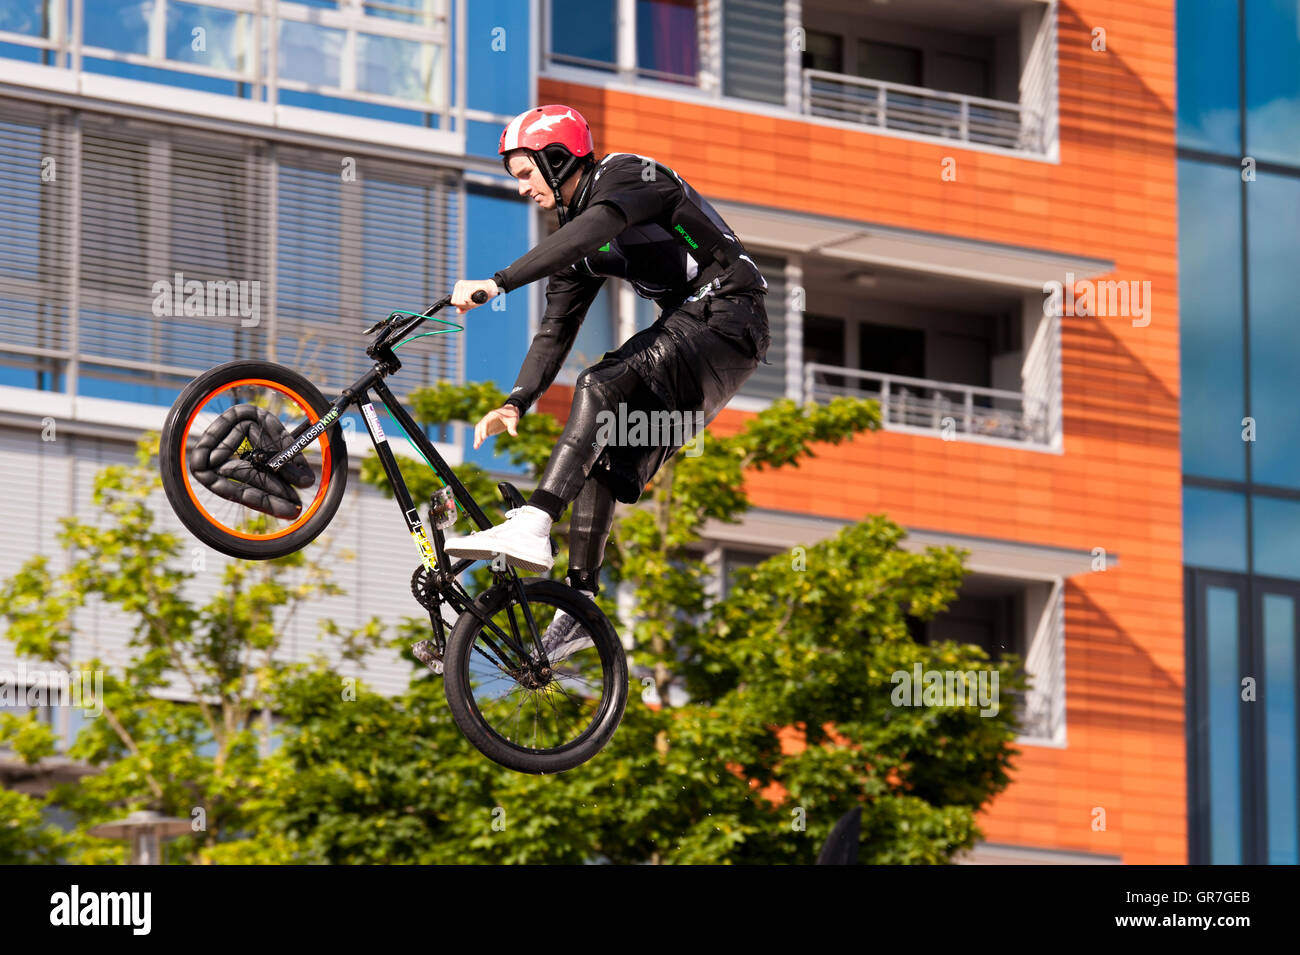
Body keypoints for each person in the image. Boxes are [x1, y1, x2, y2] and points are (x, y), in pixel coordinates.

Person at [442, 104, 770, 651]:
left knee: (600, 384)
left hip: (730, 314)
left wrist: (498, 283)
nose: (522, 189)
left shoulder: (629, 176)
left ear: (555, 159)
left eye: (524, 174)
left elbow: (595, 228)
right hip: (708, 341)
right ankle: (579, 605)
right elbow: (556, 329)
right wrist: (516, 401)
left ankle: (534, 522)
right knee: (605, 453)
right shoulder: (576, 242)